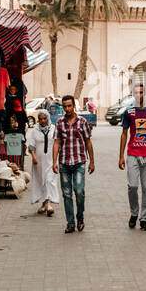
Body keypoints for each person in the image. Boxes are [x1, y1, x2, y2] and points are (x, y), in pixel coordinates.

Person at [119, 83, 146, 230]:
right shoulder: (128, 112)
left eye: (141, 92)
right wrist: (121, 156)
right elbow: (124, 133)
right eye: (136, 93)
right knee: (132, 186)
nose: (139, 95)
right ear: (133, 94)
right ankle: (134, 213)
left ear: (145, 94)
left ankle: (144, 219)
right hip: (132, 154)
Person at [53, 95, 95, 232]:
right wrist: (54, 161)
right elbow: (56, 142)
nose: (67, 109)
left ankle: (80, 217)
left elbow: (88, 142)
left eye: (69, 106)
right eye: (64, 106)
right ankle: (70, 222)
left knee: (79, 190)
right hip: (64, 162)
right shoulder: (59, 123)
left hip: (79, 162)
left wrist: (92, 162)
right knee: (66, 194)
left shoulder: (82, 122)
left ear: (74, 106)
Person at [26, 110, 59, 216]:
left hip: (51, 160)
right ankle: (44, 204)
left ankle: (49, 204)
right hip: (38, 161)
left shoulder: (53, 129)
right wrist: (33, 156)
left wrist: (56, 160)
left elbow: (57, 144)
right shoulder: (35, 130)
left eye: (45, 118)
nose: (43, 121)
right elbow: (31, 145)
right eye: (40, 119)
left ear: (48, 118)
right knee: (41, 181)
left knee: (49, 180)